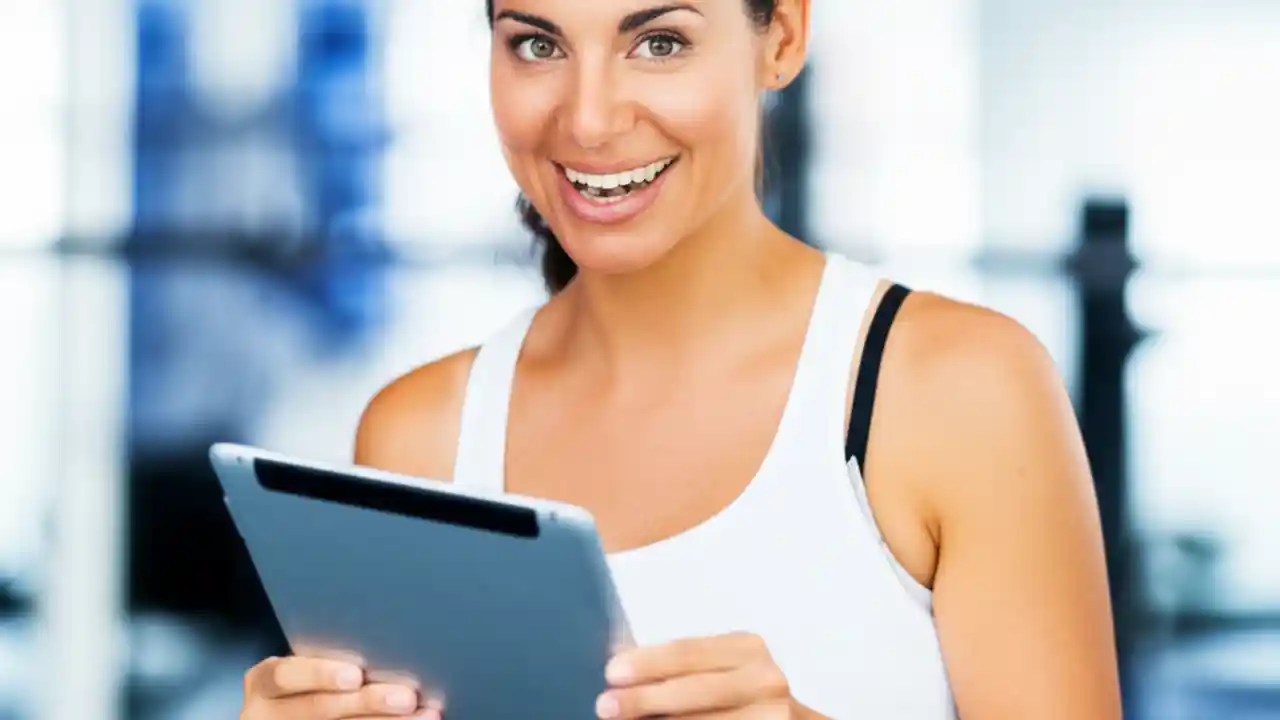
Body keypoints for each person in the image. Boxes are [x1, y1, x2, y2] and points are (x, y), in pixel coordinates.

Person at [238, 1, 1123, 718]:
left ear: (780, 38)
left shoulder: (954, 390)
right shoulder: (420, 434)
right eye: (537, 43)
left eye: (658, 41)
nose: (588, 119)